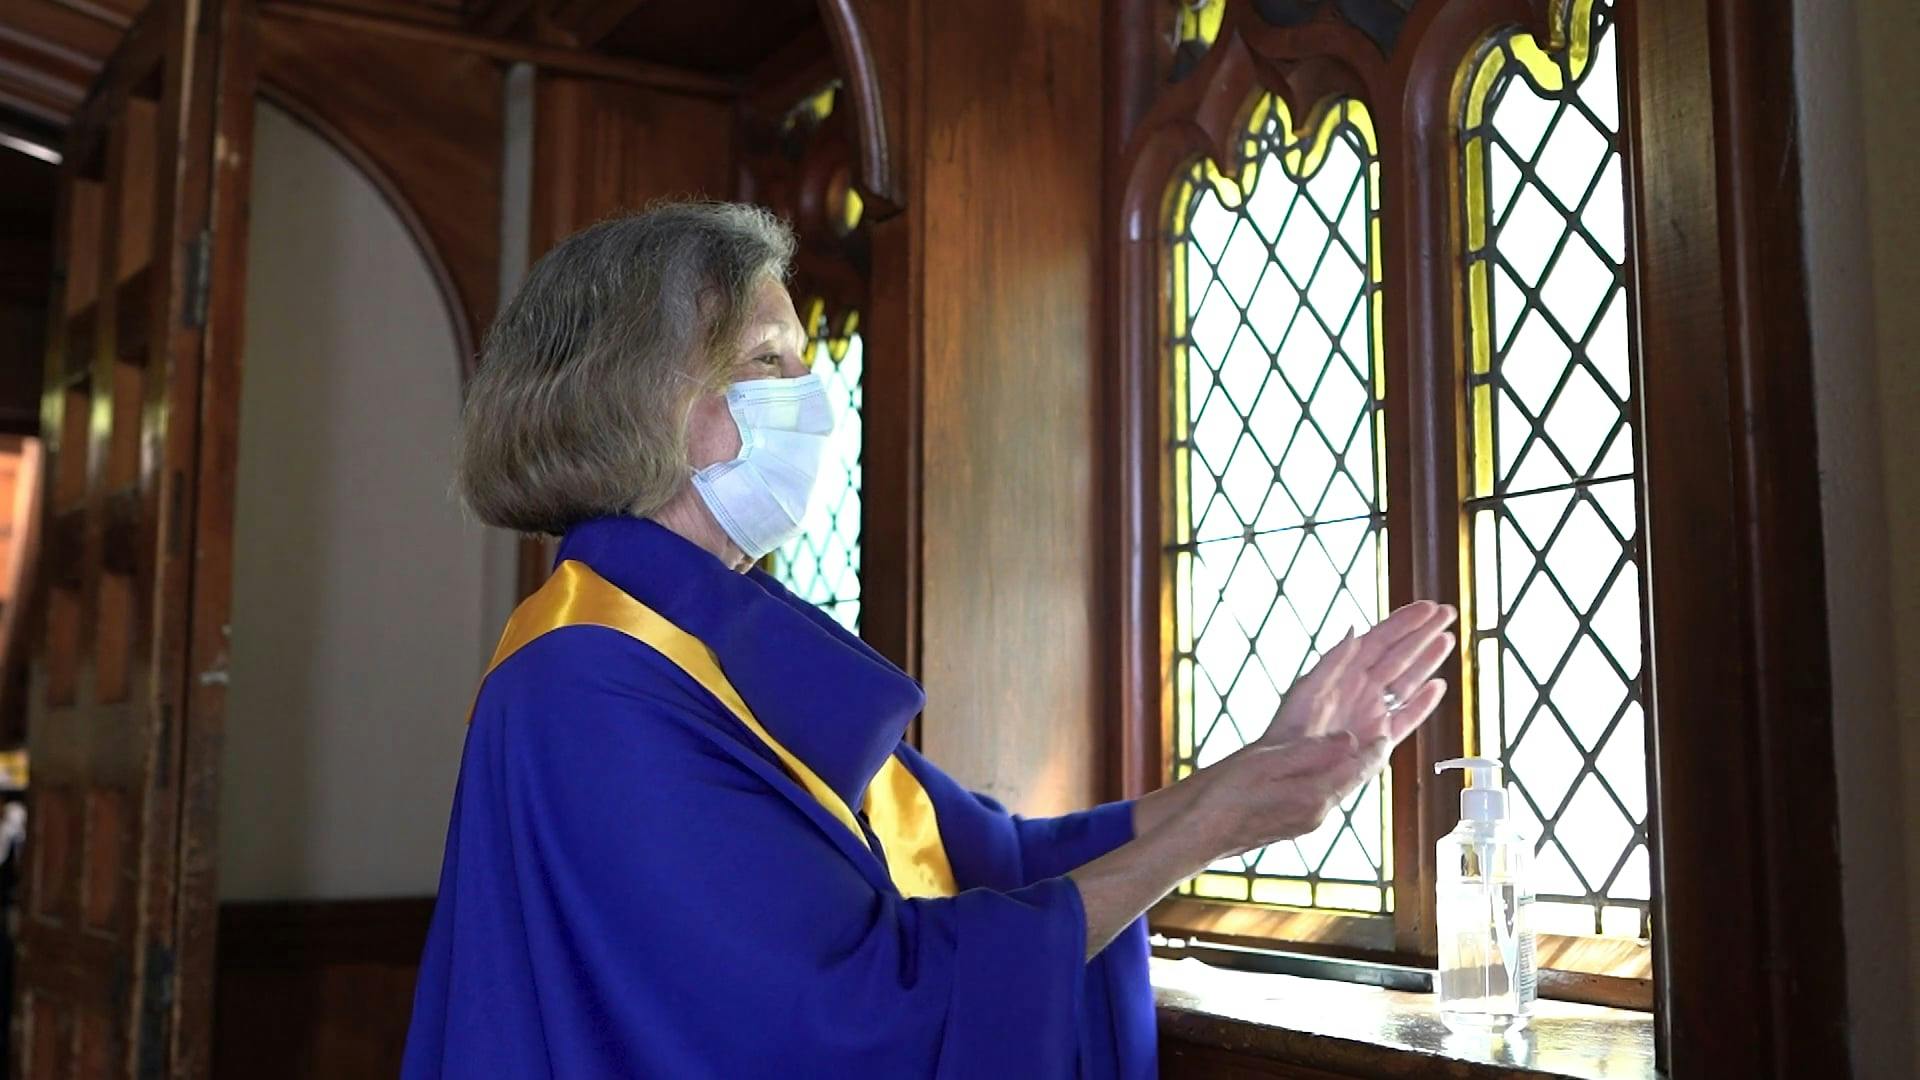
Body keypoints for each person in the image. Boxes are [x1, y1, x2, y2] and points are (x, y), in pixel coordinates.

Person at [401, 202, 1457, 1078]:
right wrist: (1207, 833)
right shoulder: (591, 674)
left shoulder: (702, 639)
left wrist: (1256, 778)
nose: (810, 400)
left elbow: (983, 864)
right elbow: (838, 1021)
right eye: (766, 360)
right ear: (634, 402)